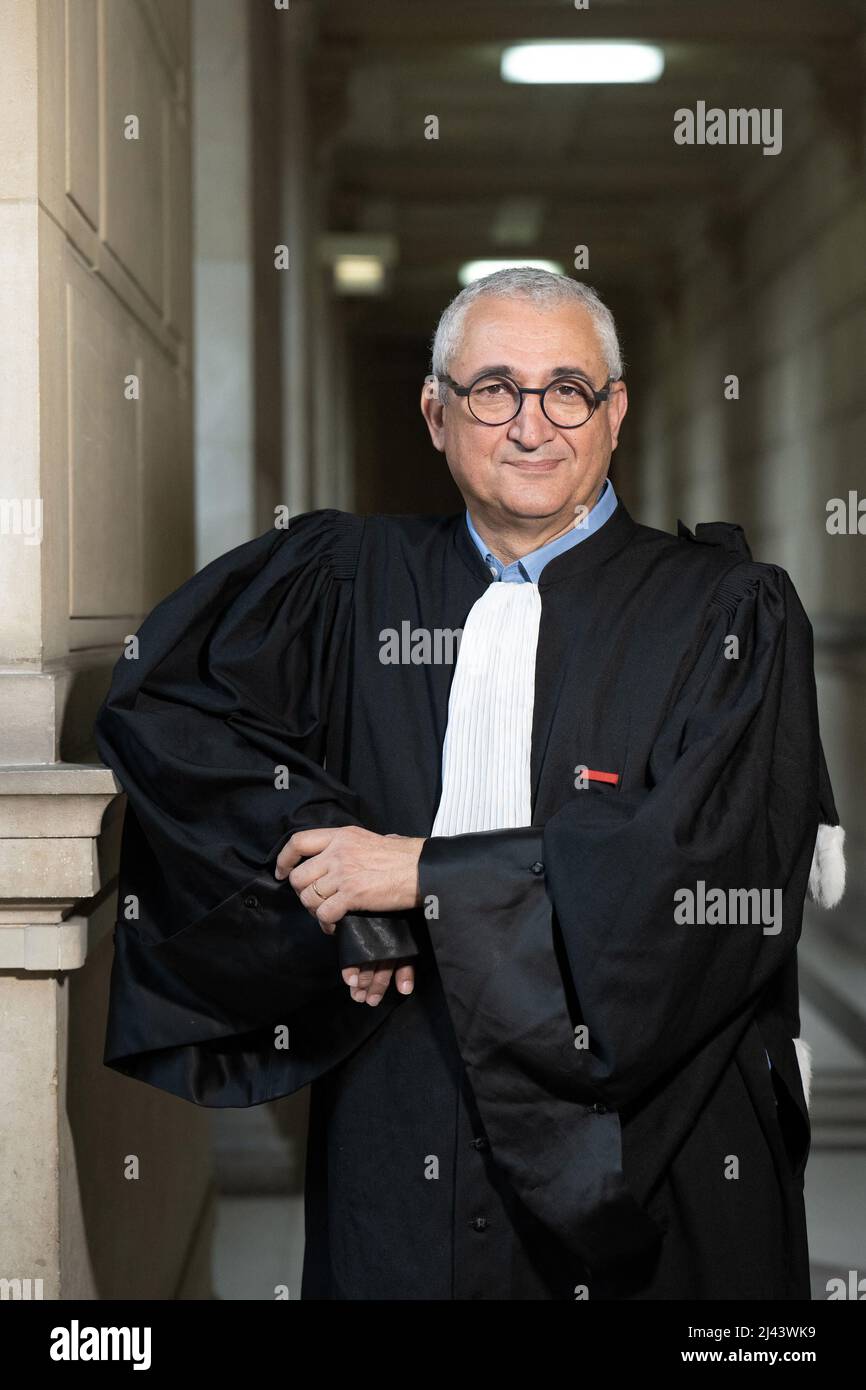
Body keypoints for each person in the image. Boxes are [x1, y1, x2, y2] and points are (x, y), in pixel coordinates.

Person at [95, 268, 846, 1300]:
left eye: (567, 390)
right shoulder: (346, 580)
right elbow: (169, 707)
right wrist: (331, 878)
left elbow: (698, 873)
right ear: (435, 412)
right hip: (407, 1097)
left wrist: (423, 877)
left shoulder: (728, 613)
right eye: (492, 388)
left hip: (660, 1131)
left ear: (614, 411)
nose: (531, 425)